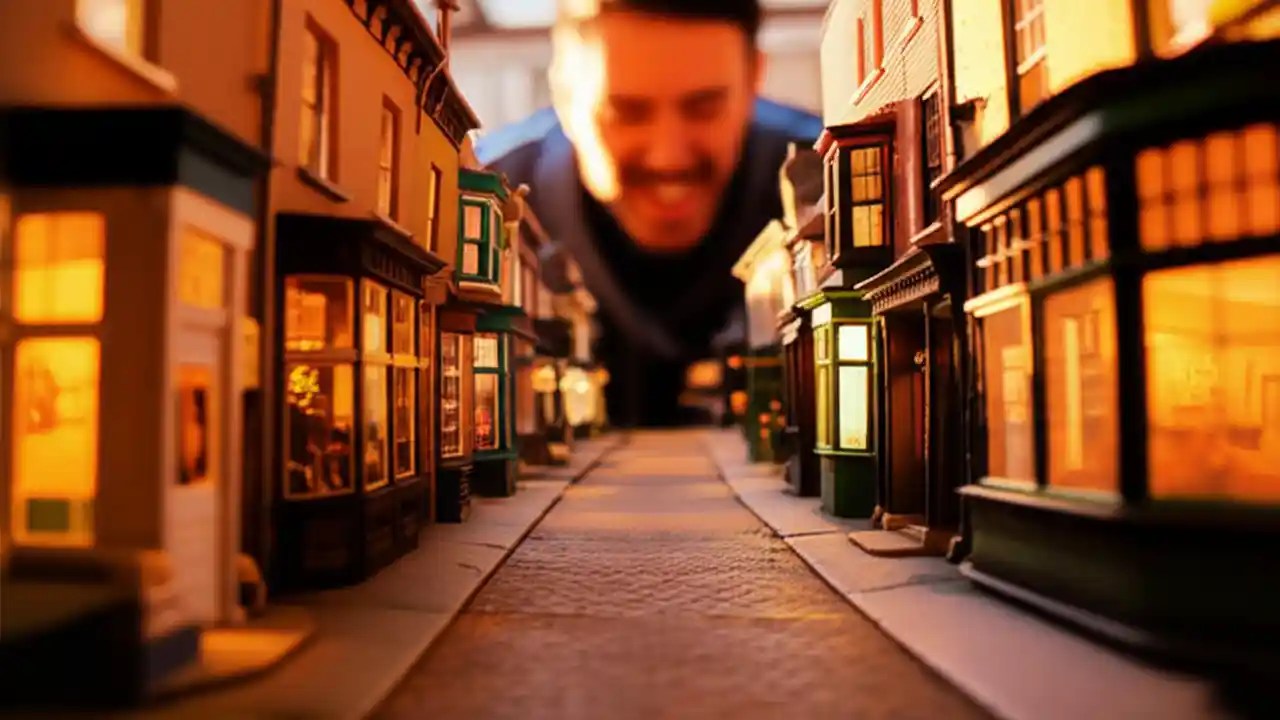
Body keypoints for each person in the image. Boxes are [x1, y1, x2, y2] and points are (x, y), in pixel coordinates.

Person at [475, 0, 822, 428]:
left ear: (755, 79)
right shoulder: (488, 200)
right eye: (627, 112)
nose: (667, 155)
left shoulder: (825, 175)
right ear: (562, 94)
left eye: (704, 107)